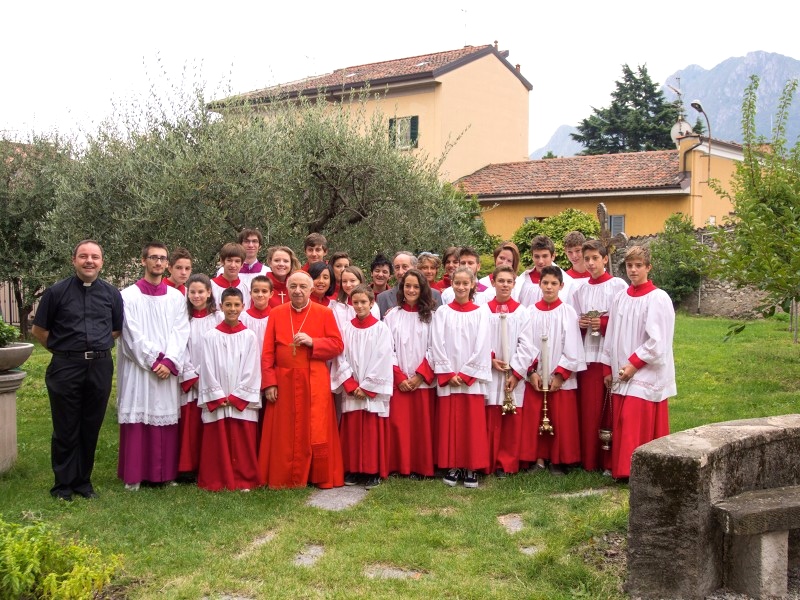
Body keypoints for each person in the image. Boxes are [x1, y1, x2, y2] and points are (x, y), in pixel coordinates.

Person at [31, 240, 124, 501]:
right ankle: (62, 486)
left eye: (95, 256)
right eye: (83, 256)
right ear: (74, 260)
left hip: (100, 366)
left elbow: (115, 330)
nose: (89, 261)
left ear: (102, 262)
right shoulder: (55, 292)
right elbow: (39, 331)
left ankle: (83, 482)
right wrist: (65, 352)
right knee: (65, 426)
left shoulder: (111, 294)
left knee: (90, 424)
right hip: (65, 367)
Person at [258, 271, 345, 489]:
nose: (297, 291)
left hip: (313, 380)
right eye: (293, 286)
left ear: (311, 289)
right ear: (286, 290)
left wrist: (313, 342)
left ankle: (316, 475)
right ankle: (283, 476)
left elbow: (337, 345)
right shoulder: (276, 313)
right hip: (284, 381)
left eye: (302, 287)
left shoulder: (324, 313)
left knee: (314, 429)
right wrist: (269, 382)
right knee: (285, 432)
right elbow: (268, 352)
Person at [117, 242, 190, 490]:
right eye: (153, 258)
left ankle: (164, 474)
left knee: (165, 418)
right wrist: (154, 360)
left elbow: (181, 331)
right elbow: (130, 334)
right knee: (138, 416)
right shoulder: (128, 296)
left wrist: (169, 362)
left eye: (162, 259)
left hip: (167, 369)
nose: (158, 262)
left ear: (166, 264)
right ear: (143, 261)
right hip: (140, 368)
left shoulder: (176, 297)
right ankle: (134, 476)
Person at [601, 245, 675, 481]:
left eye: (638, 265)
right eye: (629, 266)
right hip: (620, 367)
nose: (633, 270)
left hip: (645, 370)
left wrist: (634, 364)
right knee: (622, 419)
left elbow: (658, 340)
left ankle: (636, 470)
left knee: (632, 418)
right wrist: (607, 367)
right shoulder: (620, 297)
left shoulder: (658, 298)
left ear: (648, 267)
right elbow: (611, 333)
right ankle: (622, 469)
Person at [520, 266, 585, 475]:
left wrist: (561, 374)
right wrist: (531, 372)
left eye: (553, 283)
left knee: (560, 418)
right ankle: (538, 459)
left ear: (561, 286)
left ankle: (559, 459)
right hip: (537, 376)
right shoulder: (530, 312)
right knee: (536, 417)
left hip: (560, 378)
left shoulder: (567, 312)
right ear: (539, 284)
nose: (549, 287)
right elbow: (525, 344)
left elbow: (573, 344)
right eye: (545, 283)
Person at [431, 266, 491, 488]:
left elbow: (483, 344)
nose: (461, 287)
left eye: (466, 283)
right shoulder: (443, 312)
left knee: (471, 423)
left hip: (470, 380)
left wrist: (466, 374)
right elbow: (436, 343)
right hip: (449, 378)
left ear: (473, 284)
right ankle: (453, 464)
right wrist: (448, 372)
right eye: (457, 283)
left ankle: (471, 467)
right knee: (450, 423)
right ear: (452, 284)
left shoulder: (481, 312)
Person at [570, 240, 627, 473]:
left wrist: (602, 322)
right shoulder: (580, 289)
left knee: (609, 409)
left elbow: (624, 320)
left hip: (611, 353)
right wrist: (581, 324)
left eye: (595, 258)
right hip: (588, 354)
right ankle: (590, 459)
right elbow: (572, 321)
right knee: (590, 409)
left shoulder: (618, 286)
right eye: (587, 259)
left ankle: (609, 460)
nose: (591, 263)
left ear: (605, 259)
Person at [197, 288, 262, 491]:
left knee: (242, 441)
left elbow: (252, 369)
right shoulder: (210, 336)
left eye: (236, 305)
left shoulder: (249, 336)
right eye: (228, 305)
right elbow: (206, 368)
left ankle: (244, 479)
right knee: (217, 440)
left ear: (243, 307)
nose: (232, 309)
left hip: (239, 398)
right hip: (220, 396)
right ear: (221, 306)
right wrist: (217, 395)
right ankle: (216, 479)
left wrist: (237, 396)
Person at [331, 285, 393, 489]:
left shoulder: (381, 329)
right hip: (352, 388)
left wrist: (366, 387)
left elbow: (382, 358)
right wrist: (350, 383)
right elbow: (341, 357)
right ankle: (354, 469)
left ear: (371, 303)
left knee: (371, 429)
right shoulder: (346, 328)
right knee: (352, 430)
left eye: (363, 302)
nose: (359, 306)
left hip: (370, 390)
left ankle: (372, 470)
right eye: (355, 302)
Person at [383, 269, 437, 479]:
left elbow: (435, 348)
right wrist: (400, 377)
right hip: (400, 381)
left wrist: (419, 376)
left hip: (421, 381)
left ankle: (421, 467)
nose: (411, 290)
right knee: (400, 426)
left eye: (416, 286)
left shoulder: (432, 317)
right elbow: (388, 349)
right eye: (407, 286)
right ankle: (400, 466)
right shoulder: (392, 316)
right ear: (401, 288)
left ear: (423, 289)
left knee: (421, 427)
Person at [485, 265, 534, 477]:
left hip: (512, 376)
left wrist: (515, 372)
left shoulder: (522, 312)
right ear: (493, 282)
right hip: (490, 372)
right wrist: (490, 359)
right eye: (501, 280)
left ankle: (506, 463)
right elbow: (478, 341)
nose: (505, 285)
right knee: (490, 418)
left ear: (514, 284)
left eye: (509, 281)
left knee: (510, 420)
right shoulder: (483, 310)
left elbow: (528, 345)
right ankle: (487, 461)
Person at [177, 273, 221, 480]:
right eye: (192, 292)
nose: (196, 296)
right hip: (189, 380)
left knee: (209, 423)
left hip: (211, 377)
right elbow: (179, 347)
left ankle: (208, 465)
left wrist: (203, 373)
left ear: (209, 293)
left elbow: (218, 348)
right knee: (189, 423)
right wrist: (190, 374)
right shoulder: (183, 319)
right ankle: (187, 467)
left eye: (201, 292)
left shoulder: (218, 318)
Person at [513, 235, 574, 307]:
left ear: (553, 256)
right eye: (537, 256)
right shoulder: (521, 281)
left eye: (545, 256)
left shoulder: (567, 282)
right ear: (532, 256)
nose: (540, 261)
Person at [377, 251, 442, 318]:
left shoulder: (434, 295)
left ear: (415, 268)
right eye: (397, 267)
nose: (400, 272)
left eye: (405, 267)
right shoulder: (383, 298)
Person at [211, 242, 250, 309]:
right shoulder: (211, 286)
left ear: (242, 264)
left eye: (237, 261)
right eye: (229, 260)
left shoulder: (245, 288)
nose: (233, 265)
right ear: (222, 261)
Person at [563, 231, 590, 296]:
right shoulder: (564, 278)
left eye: (577, 250)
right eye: (570, 252)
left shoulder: (595, 274)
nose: (574, 256)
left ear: (584, 250)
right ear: (565, 252)